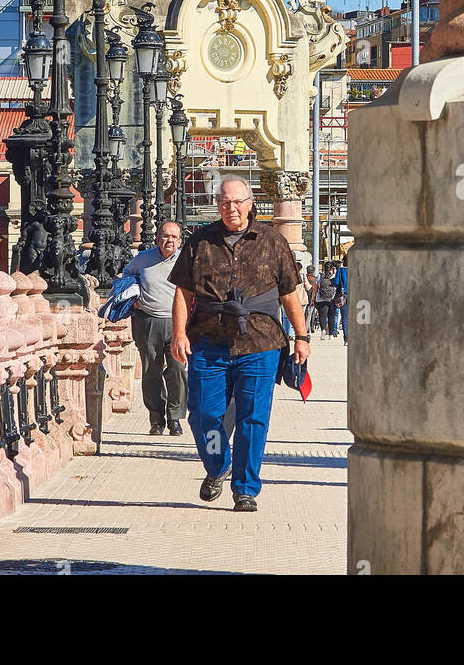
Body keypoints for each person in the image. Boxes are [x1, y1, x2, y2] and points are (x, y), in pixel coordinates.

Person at [170, 176, 309, 512]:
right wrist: (179, 333)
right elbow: (182, 292)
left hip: (261, 342)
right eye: (224, 202)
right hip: (208, 339)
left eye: (236, 202)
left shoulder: (273, 241)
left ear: (249, 203)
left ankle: (245, 488)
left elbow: (290, 293)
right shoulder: (200, 241)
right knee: (204, 414)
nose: (230, 208)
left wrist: (301, 337)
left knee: (252, 417)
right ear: (217, 204)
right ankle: (219, 464)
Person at [122, 220, 187, 435]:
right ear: (158, 238)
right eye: (165, 236)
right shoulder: (143, 258)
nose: (169, 240)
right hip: (147, 321)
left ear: (180, 240)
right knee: (152, 371)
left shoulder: (186, 260)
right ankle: (156, 420)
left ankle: (175, 417)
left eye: (173, 237)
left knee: (177, 369)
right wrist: (133, 299)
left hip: (177, 323)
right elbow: (125, 276)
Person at [314, 262, 338, 338]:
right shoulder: (334, 276)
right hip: (332, 298)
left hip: (321, 299)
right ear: (332, 268)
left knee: (322, 316)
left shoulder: (320, 276)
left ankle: (323, 330)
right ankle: (331, 335)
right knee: (331, 317)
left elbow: (316, 286)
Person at [334, 253, 349, 345]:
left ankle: (346, 338)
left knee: (345, 318)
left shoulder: (340, 271)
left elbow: (336, 283)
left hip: (343, 295)